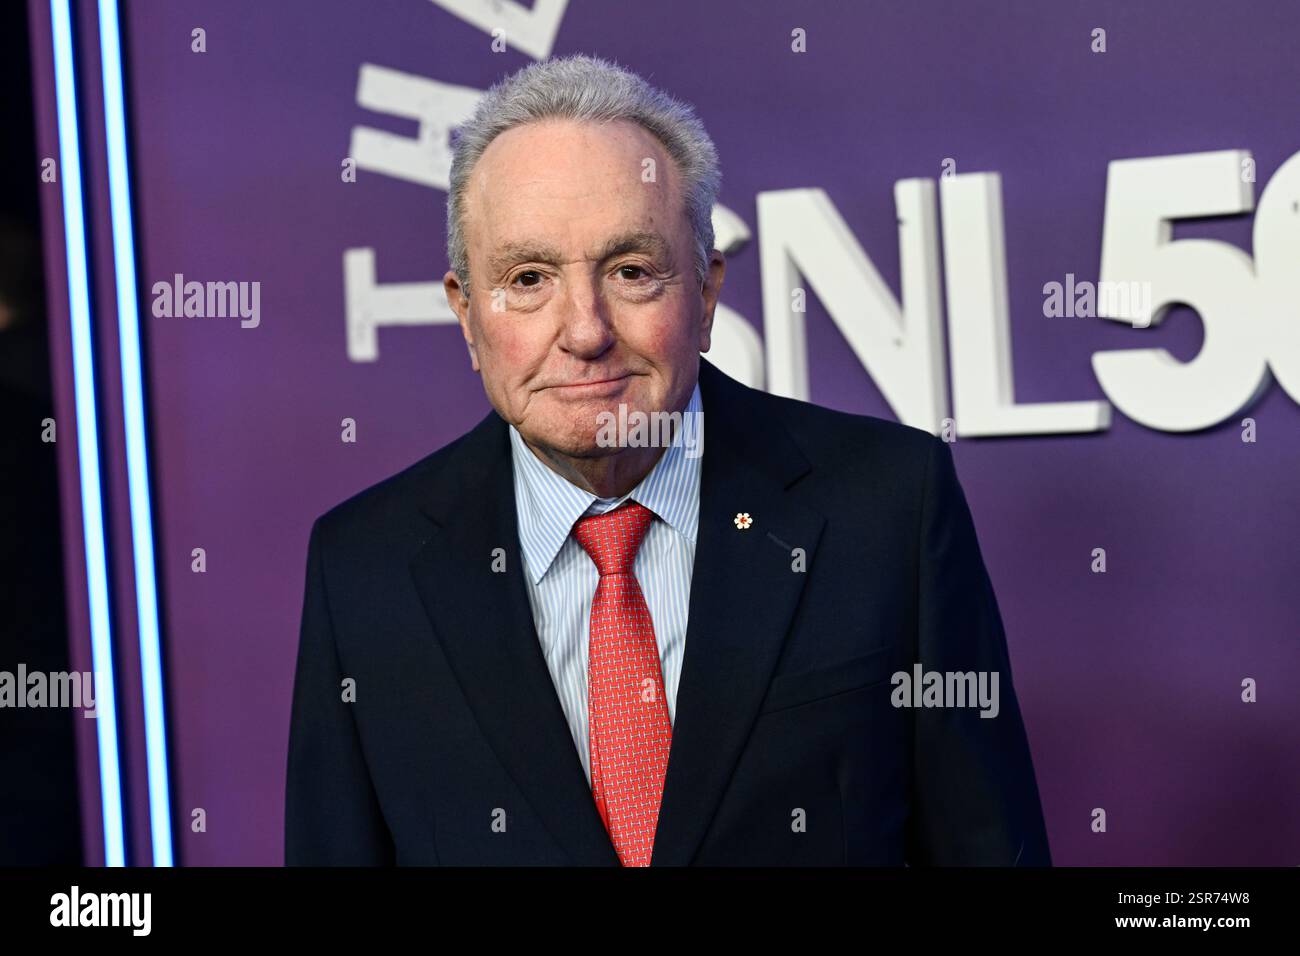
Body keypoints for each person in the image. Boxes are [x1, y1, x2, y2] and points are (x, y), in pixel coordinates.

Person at [285, 54, 1050, 866]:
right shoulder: (365, 569)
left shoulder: (891, 508)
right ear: (467, 314)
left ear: (708, 294)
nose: (584, 331)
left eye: (631, 271)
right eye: (529, 277)